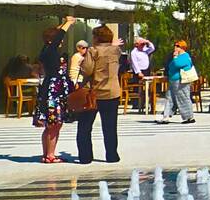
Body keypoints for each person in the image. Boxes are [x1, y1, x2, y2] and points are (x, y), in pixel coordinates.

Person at [75, 25, 123, 164]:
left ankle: (85, 157)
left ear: (96, 37)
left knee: (84, 127)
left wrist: (82, 62)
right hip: (112, 92)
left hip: (93, 93)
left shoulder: (93, 51)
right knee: (110, 127)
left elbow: (87, 71)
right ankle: (112, 155)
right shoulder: (116, 50)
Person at [34, 15, 76, 163]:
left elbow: (55, 35)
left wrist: (62, 24)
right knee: (55, 124)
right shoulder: (51, 49)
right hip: (54, 91)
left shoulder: (45, 49)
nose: (61, 42)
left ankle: (47, 154)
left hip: (49, 89)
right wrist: (69, 23)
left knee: (50, 125)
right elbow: (59, 36)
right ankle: (50, 155)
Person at [159, 40, 197, 124]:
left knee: (183, 98)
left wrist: (175, 57)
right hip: (173, 80)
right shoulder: (176, 56)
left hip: (181, 80)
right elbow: (170, 65)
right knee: (169, 98)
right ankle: (166, 116)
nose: (175, 47)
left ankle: (189, 117)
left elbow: (177, 64)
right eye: (175, 45)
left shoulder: (185, 56)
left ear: (182, 47)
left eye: (177, 46)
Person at [128, 36, 155, 113]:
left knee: (147, 87)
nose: (143, 45)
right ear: (137, 44)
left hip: (146, 69)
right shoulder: (134, 52)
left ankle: (146, 103)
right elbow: (134, 63)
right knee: (138, 88)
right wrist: (138, 72)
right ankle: (136, 104)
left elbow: (152, 48)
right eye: (141, 44)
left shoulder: (145, 50)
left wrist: (147, 42)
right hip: (139, 71)